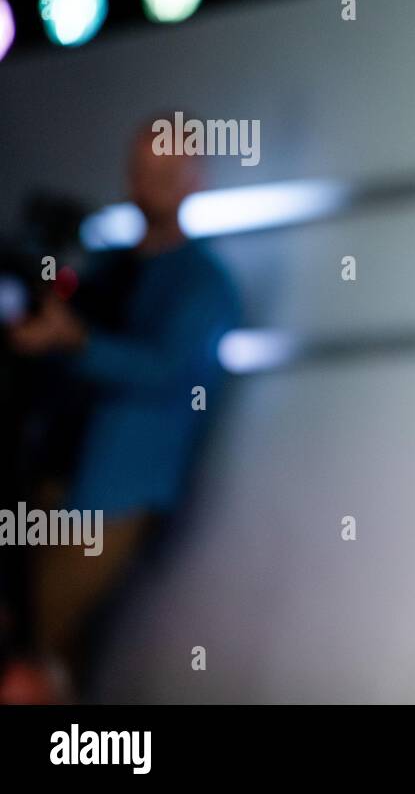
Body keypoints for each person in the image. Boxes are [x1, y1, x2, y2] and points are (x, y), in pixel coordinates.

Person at [4, 116, 241, 700]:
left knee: (31, 649)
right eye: (141, 167)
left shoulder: (205, 284)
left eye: (165, 168)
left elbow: (168, 371)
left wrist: (76, 341)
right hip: (54, 475)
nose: (149, 181)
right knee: (55, 651)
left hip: (115, 495)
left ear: (195, 177)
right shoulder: (106, 265)